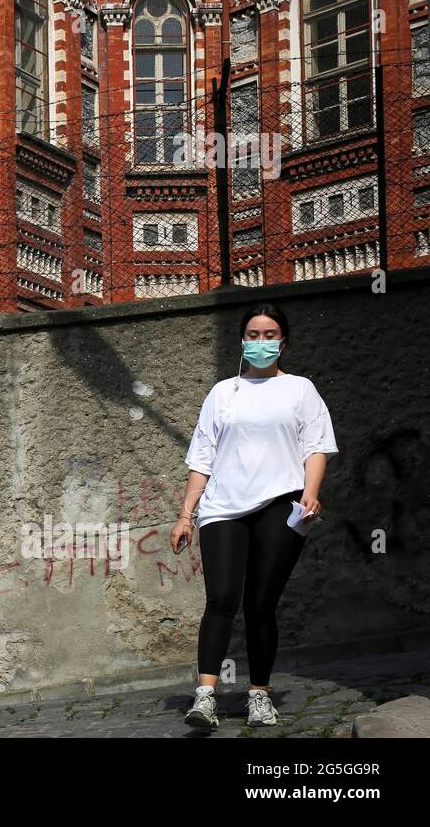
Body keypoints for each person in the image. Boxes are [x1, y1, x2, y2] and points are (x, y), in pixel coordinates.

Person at [171, 303, 337, 730]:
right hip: (223, 509)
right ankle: (205, 697)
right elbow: (202, 458)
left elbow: (315, 446)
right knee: (222, 598)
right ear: (242, 340)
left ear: (283, 341)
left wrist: (312, 493)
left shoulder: (301, 390)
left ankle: (259, 696)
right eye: (253, 334)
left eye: (269, 334)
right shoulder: (223, 393)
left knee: (261, 604)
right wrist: (186, 515)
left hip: (281, 506)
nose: (260, 342)